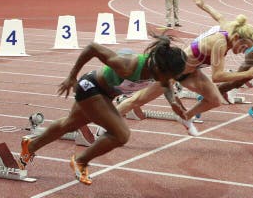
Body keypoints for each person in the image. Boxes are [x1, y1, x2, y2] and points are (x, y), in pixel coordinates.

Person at [19, 36, 187, 185]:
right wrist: (72, 76)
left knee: (69, 124)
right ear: (159, 67)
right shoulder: (128, 64)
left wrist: (173, 102)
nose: (170, 79)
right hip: (91, 87)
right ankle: (81, 161)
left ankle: (31, 146)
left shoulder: (159, 71)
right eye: (169, 75)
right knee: (121, 134)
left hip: (105, 94)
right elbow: (92, 47)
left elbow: (166, 84)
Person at [115, 0, 253, 136]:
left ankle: (185, 117)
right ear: (236, 37)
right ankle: (107, 123)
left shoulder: (230, 28)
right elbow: (217, 77)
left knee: (215, 100)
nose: (245, 50)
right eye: (244, 45)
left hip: (191, 71)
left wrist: (203, 5)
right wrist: (247, 74)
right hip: (173, 71)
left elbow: (219, 16)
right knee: (137, 100)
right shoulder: (220, 44)